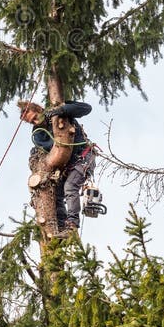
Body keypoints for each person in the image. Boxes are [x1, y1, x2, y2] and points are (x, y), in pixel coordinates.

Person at [19, 99, 96, 232]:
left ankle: (72, 224)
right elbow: (49, 148)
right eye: (31, 122)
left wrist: (62, 109)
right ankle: (61, 227)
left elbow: (87, 108)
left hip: (83, 157)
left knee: (70, 186)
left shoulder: (60, 112)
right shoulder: (38, 133)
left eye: (35, 117)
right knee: (56, 194)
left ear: (39, 109)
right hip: (66, 166)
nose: (35, 122)